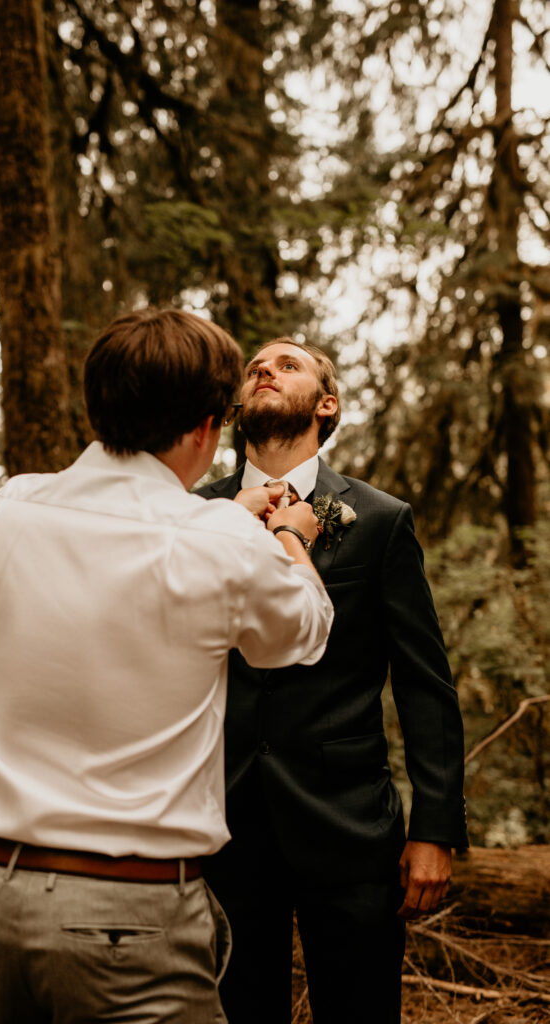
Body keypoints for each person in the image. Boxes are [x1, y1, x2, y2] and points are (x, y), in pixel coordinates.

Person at [0, 310, 335, 1024]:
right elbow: (299, 635)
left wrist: (218, 522)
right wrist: (282, 535)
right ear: (205, 428)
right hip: (125, 913)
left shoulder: (11, 507)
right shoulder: (218, 538)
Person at [196, 336, 468, 1024]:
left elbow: (421, 680)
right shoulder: (192, 518)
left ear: (326, 404)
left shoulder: (379, 519)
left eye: (286, 364)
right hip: (216, 822)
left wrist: (433, 827)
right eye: (254, 366)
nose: (263, 369)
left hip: (347, 821)